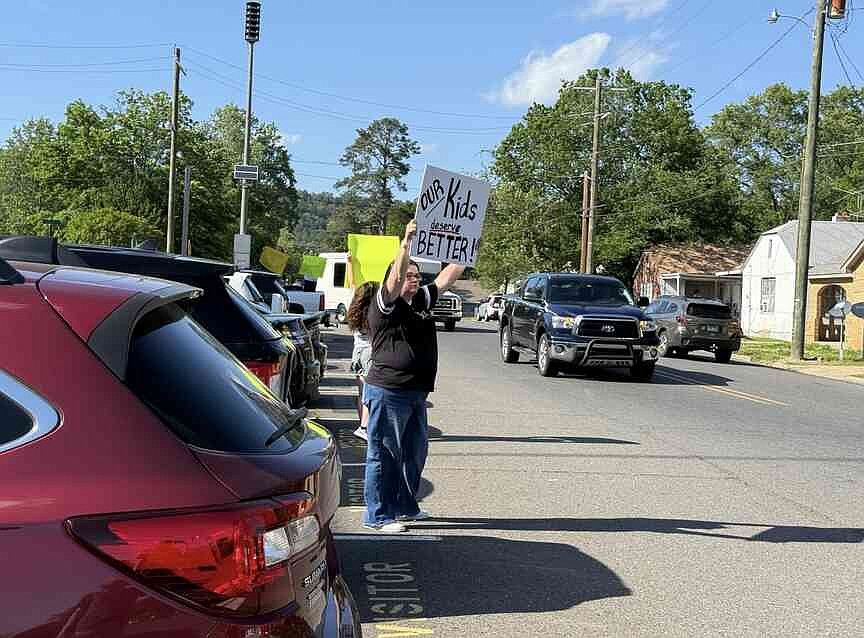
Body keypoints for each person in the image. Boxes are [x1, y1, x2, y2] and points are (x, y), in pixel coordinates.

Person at [362, 219, 465, 533]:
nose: (414, 279)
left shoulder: (420, 299)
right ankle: (378, 515)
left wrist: (465, 243)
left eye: (418, 276)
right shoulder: (385, 304)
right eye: (409, 275)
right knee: (384, 453)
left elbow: (449, 275)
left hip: (416, 392)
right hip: (389, 390)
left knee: (413, 453)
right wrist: (406, 244)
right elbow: (395, 277)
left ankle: (406, 507)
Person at [347, 281, 377, 441]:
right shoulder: (372, 313)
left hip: (357, 353)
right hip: (368, 353)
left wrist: (350, 264)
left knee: (361, 392)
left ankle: (362, 424)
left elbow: (352, 284)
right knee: (368, 393)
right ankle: (364, 427)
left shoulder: (354, 310)